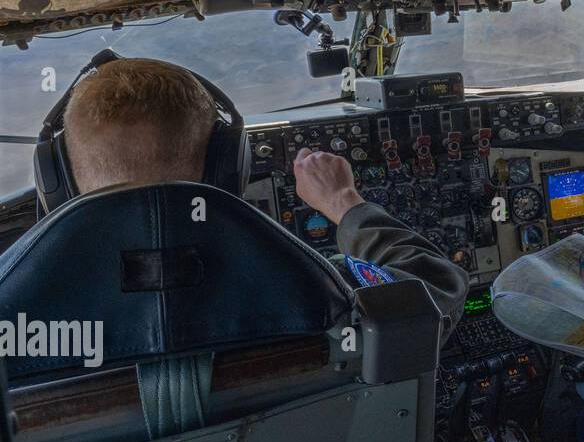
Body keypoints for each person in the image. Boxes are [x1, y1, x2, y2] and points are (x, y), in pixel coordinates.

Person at [56, 55, 467, 312]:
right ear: (230, 167)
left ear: (55, 179)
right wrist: (344, 202)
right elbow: (440, 296)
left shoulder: (27, 321)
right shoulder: (310, 288)